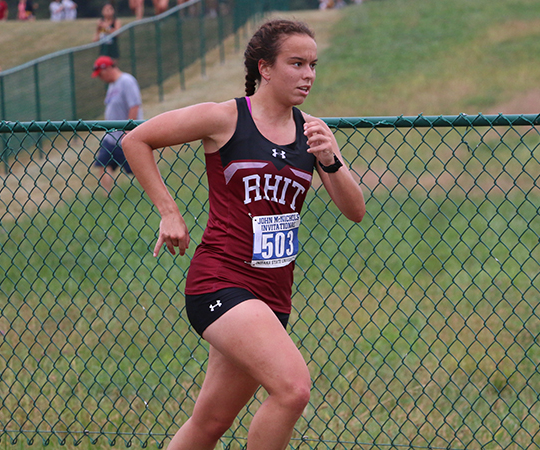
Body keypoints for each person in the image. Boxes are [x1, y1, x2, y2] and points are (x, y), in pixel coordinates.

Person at [121, 19, 365, 450]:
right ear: (265, 68)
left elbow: (355, 210)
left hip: (273, 294)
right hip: (221, 281)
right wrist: (169, 212)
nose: (308, 75)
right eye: (296, 63)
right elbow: (136, 141)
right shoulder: (225, 118)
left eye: (313, 65)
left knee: (210, 422)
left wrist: (330, 158)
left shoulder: (313, 132)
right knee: (293, 389)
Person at [91, 55, 143, 195]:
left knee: (139, 169)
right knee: (103, 164)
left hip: (126, 136)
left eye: (101, 74)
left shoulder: (127, 81)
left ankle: (151, 191)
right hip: (111, 137)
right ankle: (106, 196)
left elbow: (134, 105)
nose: (101, 78)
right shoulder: (112, 85)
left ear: (108, 69)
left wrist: (128, 130)